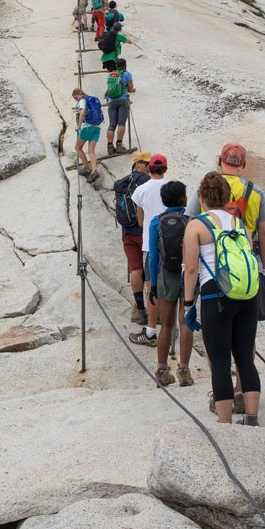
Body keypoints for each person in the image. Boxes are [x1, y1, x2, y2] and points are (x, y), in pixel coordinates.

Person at [186, 143, 265, 414]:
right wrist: (264, 270)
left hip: (215, 285)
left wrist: (189, 302)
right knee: (245, 351)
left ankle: (222, 403)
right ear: (243, 164)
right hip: (249, 276)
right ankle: (247, 406)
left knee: (219, 353)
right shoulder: (254, 193)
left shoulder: (200, 208)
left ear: (219, 159)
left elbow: (190, 262)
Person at [147, 181, 194, 387]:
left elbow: (153, 256)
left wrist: (153, 285)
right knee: (185, 322)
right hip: (187, 274)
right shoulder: (191, 221)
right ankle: (184, 370)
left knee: (166, 324)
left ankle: (162, 370)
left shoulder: (157, 222)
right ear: (184, 198)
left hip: (166, 274)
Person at [130, 155, 169, 346]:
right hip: (172, 242)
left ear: (150, 169)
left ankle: (151, 331)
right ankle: (170, 329)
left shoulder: (140, 190)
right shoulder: (172, 186)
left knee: (151, 287)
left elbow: (139, 220)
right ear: (165, 169)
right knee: (171, 286)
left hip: (150, 244)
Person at [114, 153, 151, 326]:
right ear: (137, 164)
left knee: (135, 270)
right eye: (146, 164)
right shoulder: (146, 181)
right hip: (143, 232)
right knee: (150, 272)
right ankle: (153, 312)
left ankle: (140, 310)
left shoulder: (123, 182)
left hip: (127, 232)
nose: (149, 167)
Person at [105, 57, 134, 155]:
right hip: (122, 101)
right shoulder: (127, 74)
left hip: (111, 101)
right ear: (125, 66)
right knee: (121, 123)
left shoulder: (110, 75)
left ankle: (109, 147)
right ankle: (119, 146)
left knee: (112, 124)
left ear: (116, 66)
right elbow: (130, 89)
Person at [72, 88, 101, 183]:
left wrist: (79, 126)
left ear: (79, 94)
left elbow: (82, 113)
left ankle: (87, 169)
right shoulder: (92, 99)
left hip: (87, 127)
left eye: (76, 97)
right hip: (97, 127)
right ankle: (94, 171)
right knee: (91, 151)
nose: (76, 100)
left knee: (77, 147)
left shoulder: (83, 100)